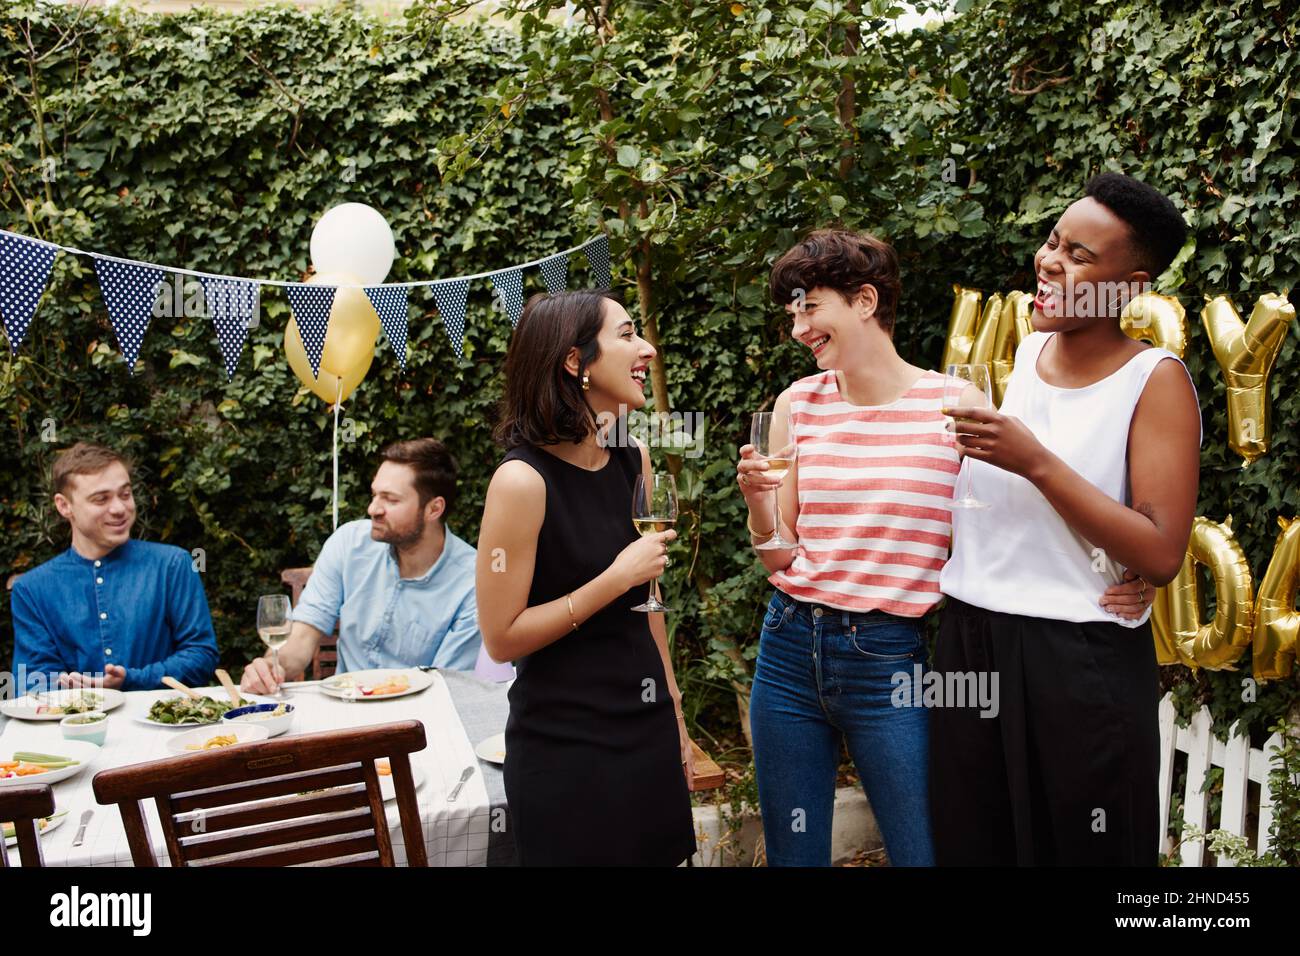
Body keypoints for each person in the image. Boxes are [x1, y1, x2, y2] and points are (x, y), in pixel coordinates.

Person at [736, 228, 1155, 867]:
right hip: (789, 648)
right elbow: (779, 556)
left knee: (926, 853)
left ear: (865, 302)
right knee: (796, 856)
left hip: (888, 663)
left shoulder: (954, 404)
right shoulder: (800, 402)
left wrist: (1131, 566)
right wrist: (758, 501)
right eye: (792, 313)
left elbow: (1015, 513)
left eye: (809, 307)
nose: (797, 329)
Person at [932, 172, 1201, 865]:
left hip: (1076, 654)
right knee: (973, 842)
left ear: (1130, 285)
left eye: (1080, 255)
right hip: (970, 633)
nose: (1050, 261)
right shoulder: (1024, 355)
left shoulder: (1155, 380)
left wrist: (1037, 461)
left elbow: (1163, 552)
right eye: (1053, 241)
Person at [476, 289, 696, 866]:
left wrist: (673, 712)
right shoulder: (521, 482)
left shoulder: (633, 457)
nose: (646, 347)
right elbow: (501, 637)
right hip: (567, 749)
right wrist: (615, 578)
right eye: (626, 335)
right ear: (576, 362)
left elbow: (649, 602)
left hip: (644, 729)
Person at [241, 438, 482, 694]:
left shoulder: (473, 582)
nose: (373, 509)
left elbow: (447, 686)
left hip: (418, 722)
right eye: (374, 494)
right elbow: (304, 633)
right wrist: (271, 667)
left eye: (390, 500)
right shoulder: (349, 544)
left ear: (434, 509)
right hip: (343, 709)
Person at [11, 442, 219, 694]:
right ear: (64, 506)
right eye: (101, 499)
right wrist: (75, 693)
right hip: (71, 730)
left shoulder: (172, 565)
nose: (120, 509)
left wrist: (132, 679)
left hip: (166, 728)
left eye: (125, 494)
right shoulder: (31, 589)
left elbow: (201, 656)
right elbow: (32, 682)